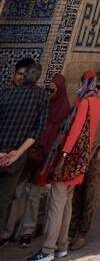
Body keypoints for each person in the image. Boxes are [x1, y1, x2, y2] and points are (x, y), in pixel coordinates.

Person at [26, 72, 100, 261]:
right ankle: (62, 245)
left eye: (81, 81)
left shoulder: (84, 102)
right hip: (82, 159)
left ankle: (48, 249)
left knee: (56, 205)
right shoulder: (97, 102)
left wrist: (64, 156)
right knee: (67, 203)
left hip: (68, 160)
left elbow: (75, 130)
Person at [1, 72, 70, 246]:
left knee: (34, 195)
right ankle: (7, 231)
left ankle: (27, 231)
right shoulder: (41, 103)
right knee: (17, 192)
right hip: (27, 154)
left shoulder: (64, 111)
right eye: (48, 89)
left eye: (53, 89)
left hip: (45, 159)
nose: (50, 92)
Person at [69, 73, 100, 250]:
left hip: (95, 156)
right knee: (76, 193)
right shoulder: (90, 102)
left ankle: (82, 233)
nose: (96, 90)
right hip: (82, 154)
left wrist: (99, 154)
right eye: (96, 86)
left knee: (90, 193)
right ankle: (70, 230)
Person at [0, 58, 48, 230]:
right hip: (16, 157)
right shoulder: (41, 95)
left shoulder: (6, 94)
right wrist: (16, 153)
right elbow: (37, 131)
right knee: (4, 200)